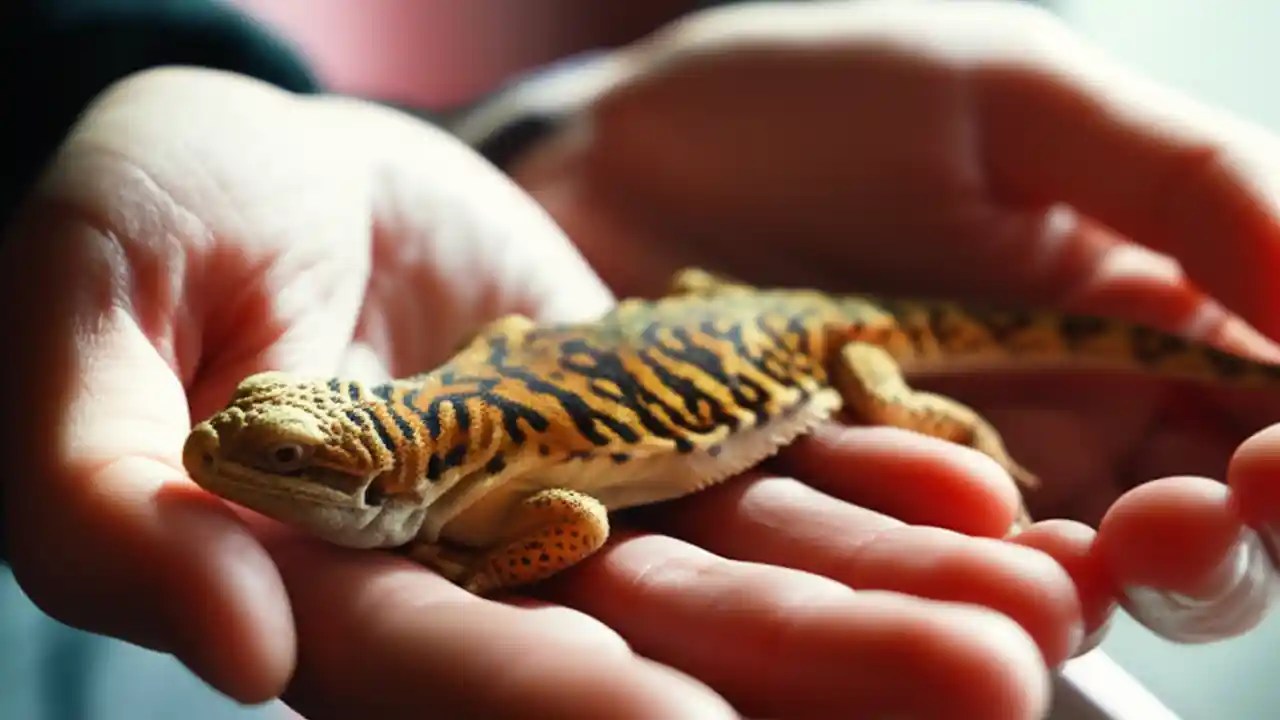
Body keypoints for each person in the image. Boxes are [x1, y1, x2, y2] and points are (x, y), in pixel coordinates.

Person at [4, 1, 1280, 718]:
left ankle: (984, 428)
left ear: (364, 478)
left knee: (938, 431)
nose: (224, 452)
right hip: (696, 315)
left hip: (816, 346)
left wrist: (479, 561)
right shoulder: (439, 445)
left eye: (276, 456)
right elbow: (540, 441)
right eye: (268, 445)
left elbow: (565, 520)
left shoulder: (476, 485)